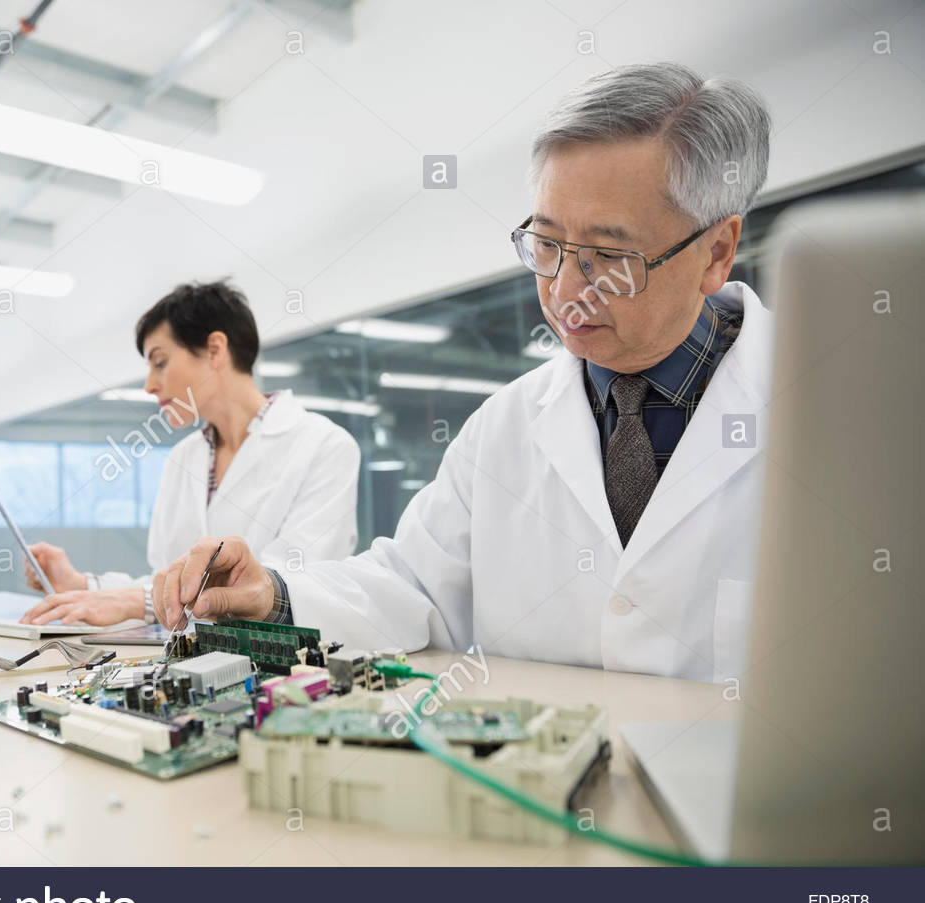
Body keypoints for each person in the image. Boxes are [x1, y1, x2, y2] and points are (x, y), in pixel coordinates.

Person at [154, 63, 774, 683]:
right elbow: (411, 587)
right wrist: (275, 596)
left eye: (609, 257)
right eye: (548, 244)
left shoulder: (834, 414)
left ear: (715, 252)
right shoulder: (503, 428)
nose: (564, 291)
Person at [21, 280, 360, 627]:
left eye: (160, 361)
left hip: (283, 671)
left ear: (214, 350)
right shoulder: (183, 458)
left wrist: (139, 602)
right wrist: (82, 586)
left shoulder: (325, 447)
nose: (149, 385)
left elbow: (282, 590)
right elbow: (166, 580)